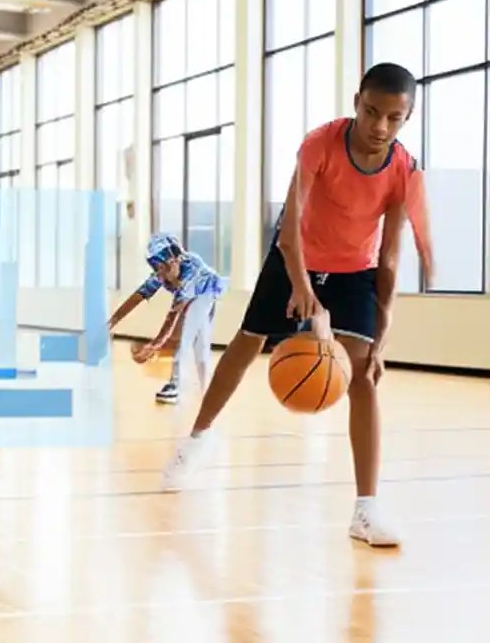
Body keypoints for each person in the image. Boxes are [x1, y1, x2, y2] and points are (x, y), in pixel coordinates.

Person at [160, 63, 434, 548]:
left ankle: (365, 511)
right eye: (372, 112)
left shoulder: (403, 171)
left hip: (355, 271)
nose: (380, 127)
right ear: (356, 102)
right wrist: (302, 285)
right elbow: (289, 228)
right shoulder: (319, 145)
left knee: (363, 377)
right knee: (247, 344)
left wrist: (383, 336)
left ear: (407, 117)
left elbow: (390, 255)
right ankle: (197, 440)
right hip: (296, 254)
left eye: (394, 118)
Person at [107, 233, 225, 404]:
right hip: (194, 296)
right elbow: (138, 296)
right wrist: (113, 320)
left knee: (188, 334)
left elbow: (173, 316)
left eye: (163, 268)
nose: (160, 274)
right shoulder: (162, 273)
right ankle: (206, 387)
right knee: (199, 342)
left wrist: (154, 346)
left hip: (206, 293)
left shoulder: (190, 272)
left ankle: (176, 385)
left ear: (175, 260)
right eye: (156, 268)